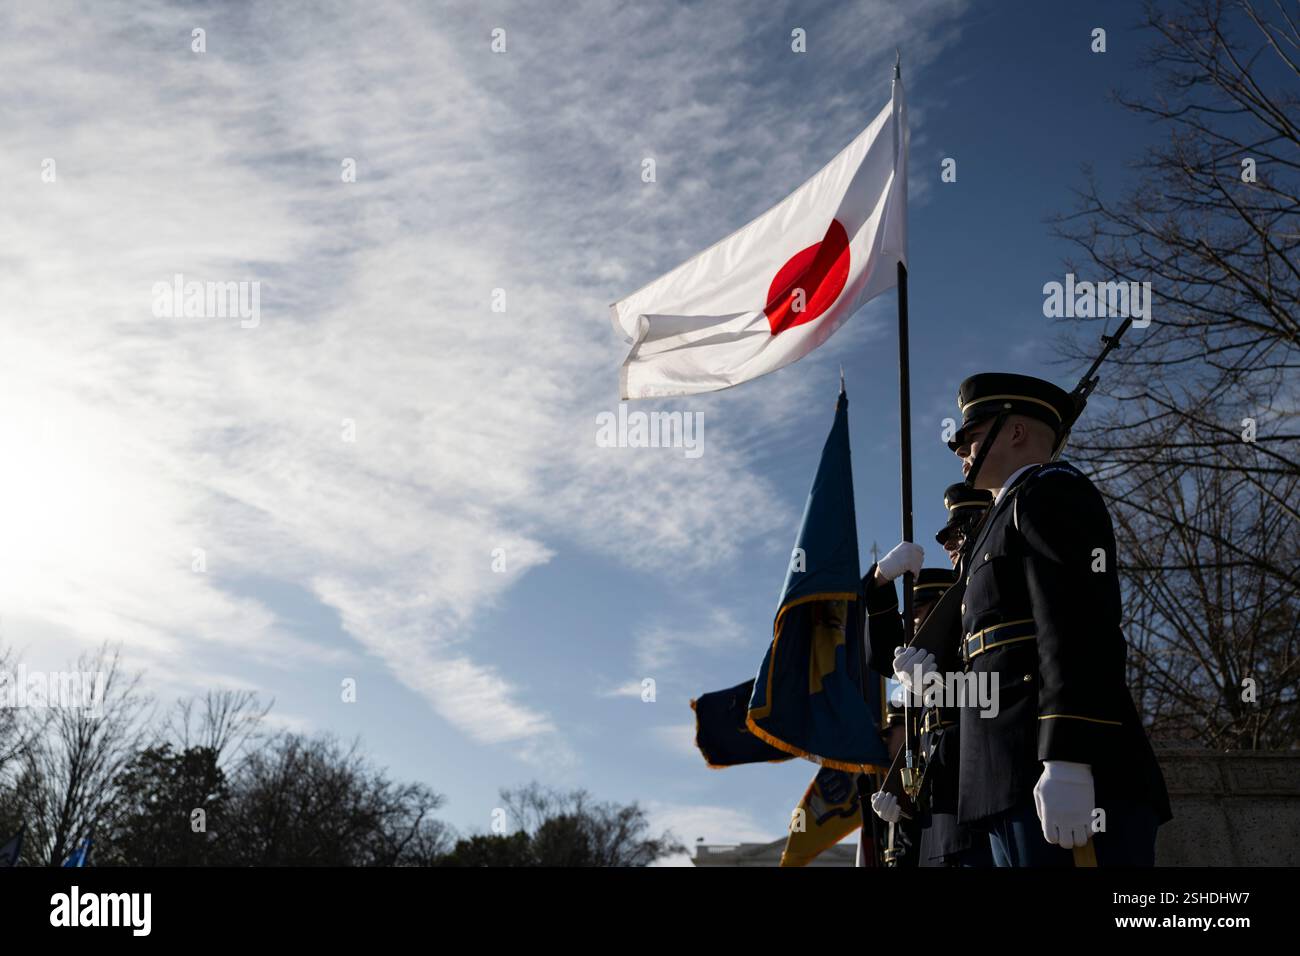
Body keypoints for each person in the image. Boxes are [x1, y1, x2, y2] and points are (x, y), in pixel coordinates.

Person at [934, 372, 1172, 866]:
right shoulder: (1001, 519)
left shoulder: (1049, 493)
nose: (960, 450)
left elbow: (1079, 622)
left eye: (971, 436)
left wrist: (1067, 753)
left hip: (1054, 765)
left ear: (1015, 432)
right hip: (1006, 773)